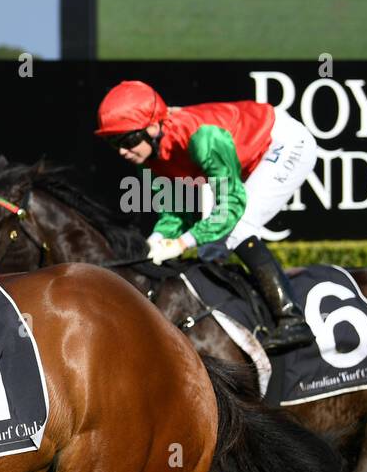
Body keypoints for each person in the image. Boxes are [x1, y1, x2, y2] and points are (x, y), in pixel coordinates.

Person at [95, 80, 317, 353]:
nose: (121, 151)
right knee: (211, 249)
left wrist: (181, 243)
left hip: (283, 143)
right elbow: (176, 213)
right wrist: (157, 240)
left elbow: (229, 208)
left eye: (127, 140)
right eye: (113, 142)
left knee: (237, 228)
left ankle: (292, 320)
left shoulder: (203, 139)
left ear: (153, 127)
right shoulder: (150, 161)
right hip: (243, 155)